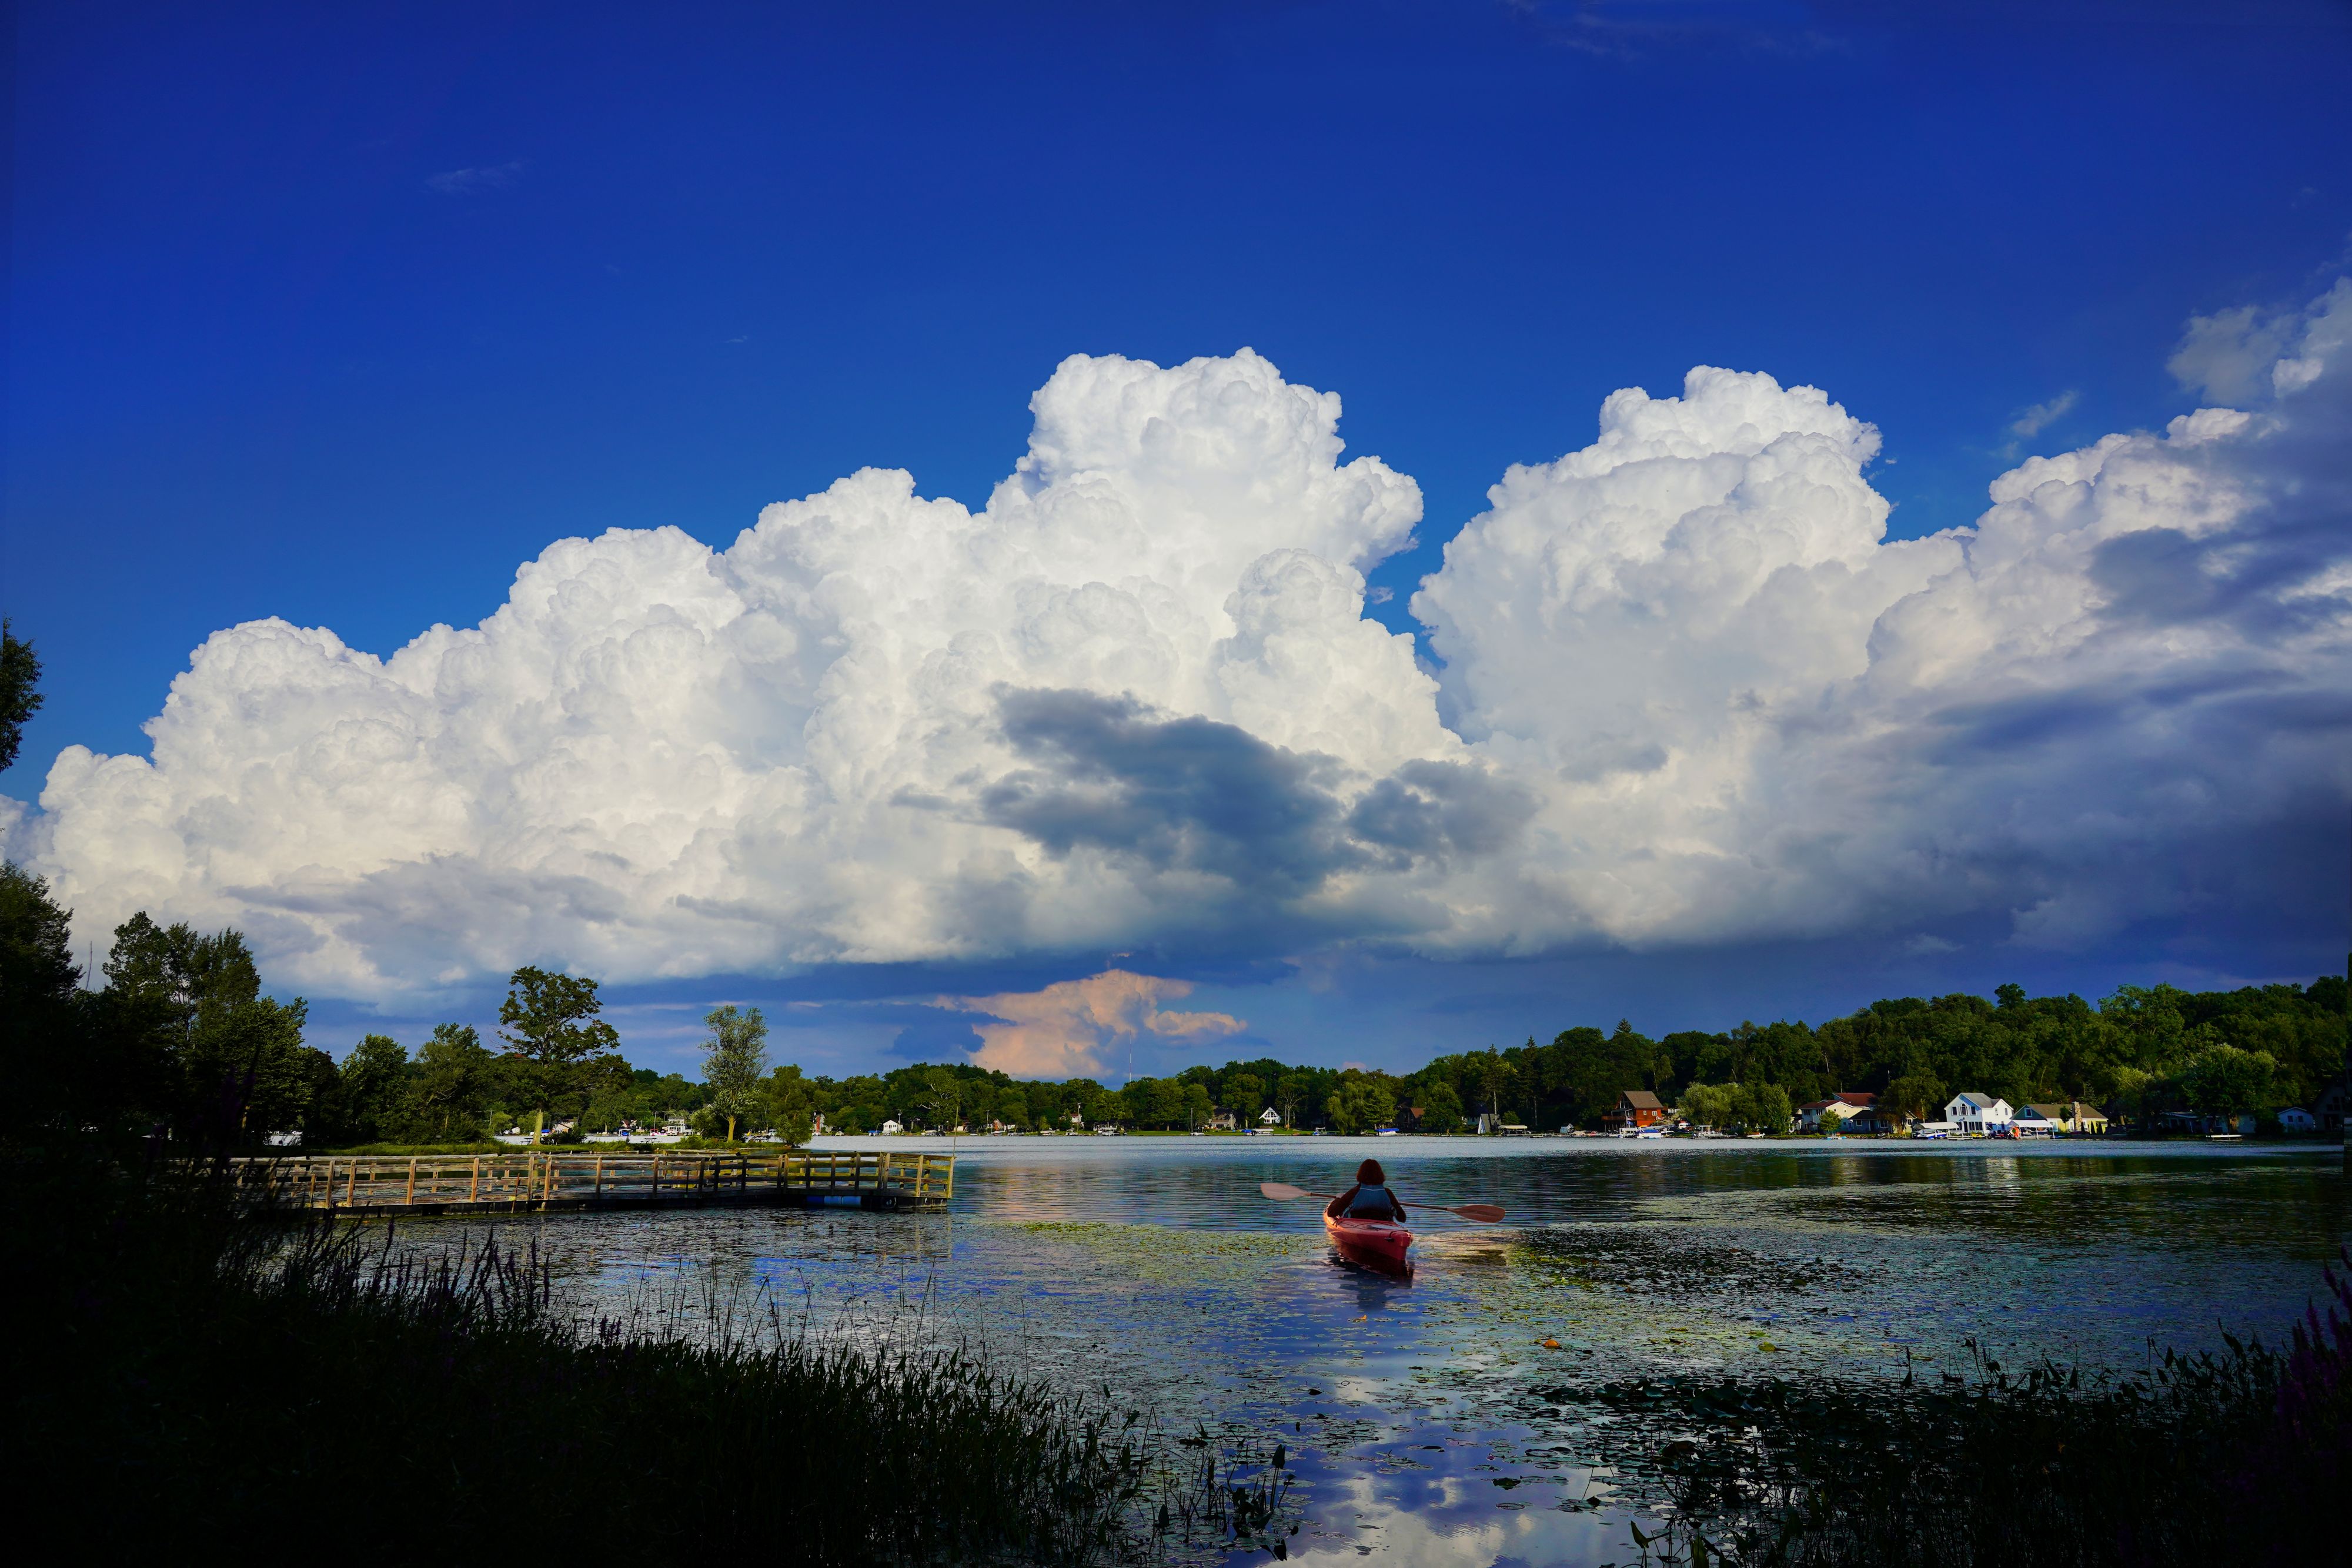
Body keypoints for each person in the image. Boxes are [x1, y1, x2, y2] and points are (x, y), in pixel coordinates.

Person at [1326, 1158, 1406, 1222]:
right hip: (1384, 1225)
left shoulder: (1355, 1192)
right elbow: (1402, 1219)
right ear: (1380, 1174)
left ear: (1361, 1174)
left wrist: (1338, 1198)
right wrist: (1395, 1205)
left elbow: (1331, 1213)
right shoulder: (1388, 1193)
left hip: (1357, 1226)